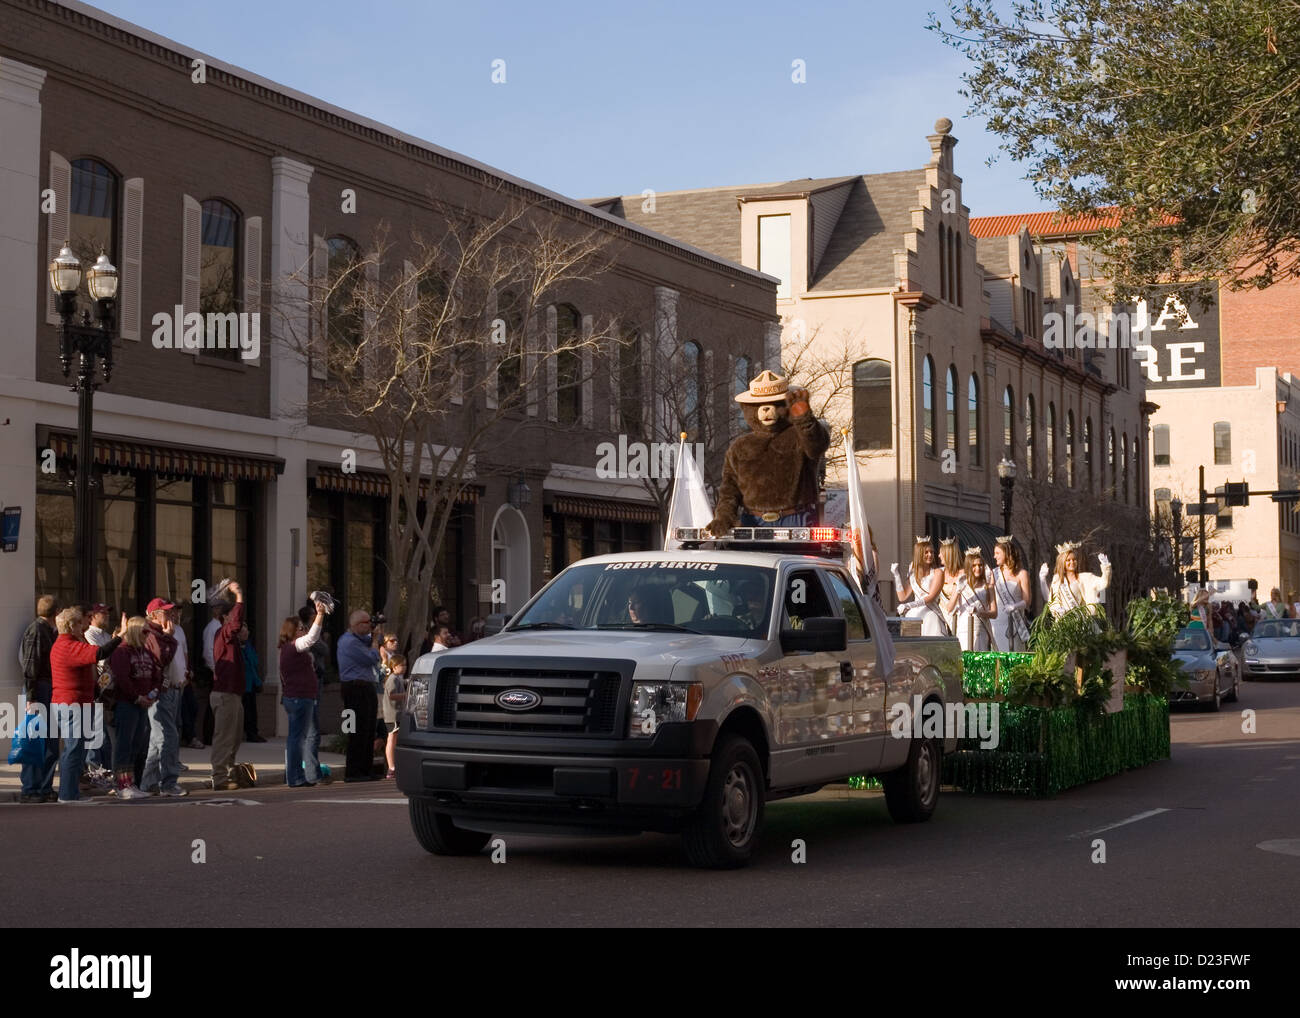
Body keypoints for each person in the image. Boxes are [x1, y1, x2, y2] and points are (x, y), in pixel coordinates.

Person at [49, 606, 124, 803]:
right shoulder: (69, 646)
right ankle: (68, 794)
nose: (84, 626)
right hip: (74, 704)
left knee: (74, 749)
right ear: (71, 625)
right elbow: (99, 652)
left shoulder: (65, 644)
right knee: (74, 750)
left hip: (71, 702)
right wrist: (120, 636)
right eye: (80, 622)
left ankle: (70, 792)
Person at [107, 616, 163, 800]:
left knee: (139, 745)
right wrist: (137, 697)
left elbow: (157, 675)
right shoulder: (121, 652)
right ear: (134, 631)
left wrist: (152, 694)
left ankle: (134, 783)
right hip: (127, 704)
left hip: (143, 703)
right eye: (144, 631)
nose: (148, 635)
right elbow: (122, 678)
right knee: (125, 745)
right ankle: (122, 784)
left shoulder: (146, 652)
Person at [279, 599, 328, 788]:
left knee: (296, 739)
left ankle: (296, 776)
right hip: (299, 698)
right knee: (297, 740)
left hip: (299, 697)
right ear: (292, 631)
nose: (303, 630)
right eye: (300, 628)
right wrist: (321, 615)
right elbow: (312, 638)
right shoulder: (294, 647)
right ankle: (295, 778)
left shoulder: (289, 649)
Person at [141, 597, 187, 797]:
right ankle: (168, 783)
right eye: (165, 612)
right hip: (161, 692)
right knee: (167, 736)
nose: (170, 615)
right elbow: (160, 658)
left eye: (170, 612)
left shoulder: (169, 632)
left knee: (158, 738)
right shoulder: (152, 634)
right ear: (154, 615)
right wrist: (168, 637)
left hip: (174, 688)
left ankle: (148, 781)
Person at [18, 595, 60, 803]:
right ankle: (32, 788)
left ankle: (43, 786)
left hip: (47, 688)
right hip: (40, 689)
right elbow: (30, 666)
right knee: (37, 740)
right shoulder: (37, 631)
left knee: (49, 741)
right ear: (56, 614)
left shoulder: (47, 631)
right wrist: (31, 697)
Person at [208, 582, 247, 791]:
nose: (242, 627)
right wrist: (239, 596)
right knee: (224, 737)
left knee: (234, 737)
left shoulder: (232, 642)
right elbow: (234, 624)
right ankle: (219, 777)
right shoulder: (223, 634)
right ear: (224, 619)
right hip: (225, 695)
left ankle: (229, 773)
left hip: (233, 694)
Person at [338, 608, 383, 781]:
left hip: (366, 687)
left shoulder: (360, 639)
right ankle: (353, 772)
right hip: (354, 689)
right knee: (356, 730)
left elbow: (372, 642)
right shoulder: (348, 642)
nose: (370, 626)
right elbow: (372, 658)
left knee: (368, 729)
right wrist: (374, 643)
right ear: (356, 625)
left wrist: (377, 633)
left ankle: (366, 769)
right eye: (367, 623)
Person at [81, 603, 116, 788]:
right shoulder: (90, 634)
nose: (106, 616)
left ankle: (103, 770)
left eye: (107, 612)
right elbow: (101, 658)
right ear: (93, 616)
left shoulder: (106, 635)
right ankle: (94, 771)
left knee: (104, 735)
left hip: (108, 689)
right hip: (97, 689)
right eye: (102, 613)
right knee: (97, 734)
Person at [891, 536, 948, 637]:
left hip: (931, 613)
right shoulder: (914, 575)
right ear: (919, 554)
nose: (930, 555)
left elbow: (931, 597)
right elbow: (902, 597)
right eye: (926, 552)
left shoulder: (938, 572)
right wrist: (896, 576)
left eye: (932, 552)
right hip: (915, 615)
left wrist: (909, 605)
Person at [1039, 542, 1111, 619]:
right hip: (1063, 623)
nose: (1072, 562)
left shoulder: (1086, 578)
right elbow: (1050, 599)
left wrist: (1106, 566)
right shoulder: (1057, 580)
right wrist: (1042, 579)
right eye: (1068, 560)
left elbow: (1103, 584)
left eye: (1074, 559)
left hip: (1082, 622)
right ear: (1062, 562)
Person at [945, 547, 998, 651]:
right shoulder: (960, 583)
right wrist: (958, 590)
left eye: (980, 565)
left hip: (981, 629)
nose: (978, 568)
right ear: (969, 567)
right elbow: (949, 608)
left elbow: (994, 613)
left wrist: (979, 612)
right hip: (964, 628)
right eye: (974, 565)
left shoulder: (988, 587)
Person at [990, 537, 1031, 651]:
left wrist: (1015, 606)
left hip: (1015, 622)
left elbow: (1027, 601)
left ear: (1007, 553)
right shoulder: (994, 573)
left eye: (997, 553)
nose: (994, 556)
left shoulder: (1022, 574)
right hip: (997, 622)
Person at [239, 621, 266, 742]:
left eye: (246, 633)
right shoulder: (235, 647)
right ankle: (246, 732)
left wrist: (258, 682)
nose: (245, 636)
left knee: (251, 710)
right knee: (244, 711)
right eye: (242, 633)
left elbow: (254, 662)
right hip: (241, 684)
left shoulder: (249, 646)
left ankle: (253, 732)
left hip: (251, 683)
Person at [382, 654, 407, 778]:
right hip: (393, 714)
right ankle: (391, 766)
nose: (404, 667)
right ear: (394, 666)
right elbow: (392, 695)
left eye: (405, 664)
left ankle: (394, 765)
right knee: (391, 738)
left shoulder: (398, 678)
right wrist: (405, 695)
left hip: (397, 713)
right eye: (402, 665)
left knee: (395, 739)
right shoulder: (393, 679)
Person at [937, 537, 965, 638]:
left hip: (960, 617)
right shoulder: (939, 573)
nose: (939, 555)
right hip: (942, 618)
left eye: (941, 553)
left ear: (948, 555)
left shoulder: (964, 574)